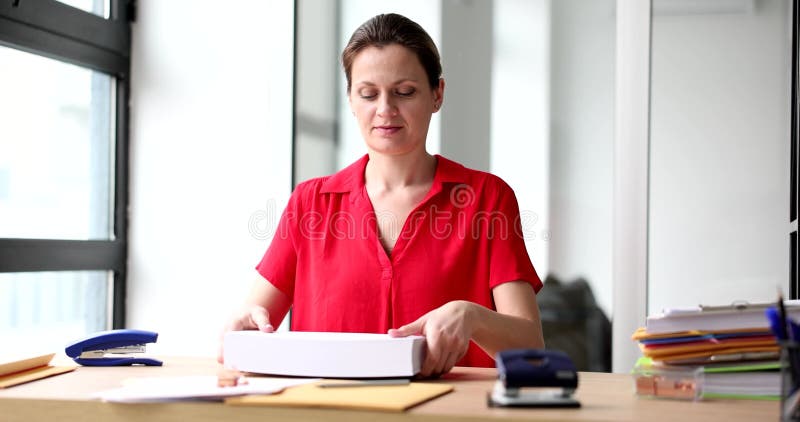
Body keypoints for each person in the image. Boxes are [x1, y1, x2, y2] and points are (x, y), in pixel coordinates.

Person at [219, 13, 544, 377]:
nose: (385, 110)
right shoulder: (310, 203)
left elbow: (531, 347)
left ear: (438, 94)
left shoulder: (488, 198)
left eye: (405, 92)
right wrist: (241, 329)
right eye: (369, 94)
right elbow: (250, 326)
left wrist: (472, 316)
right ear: (351, 99)